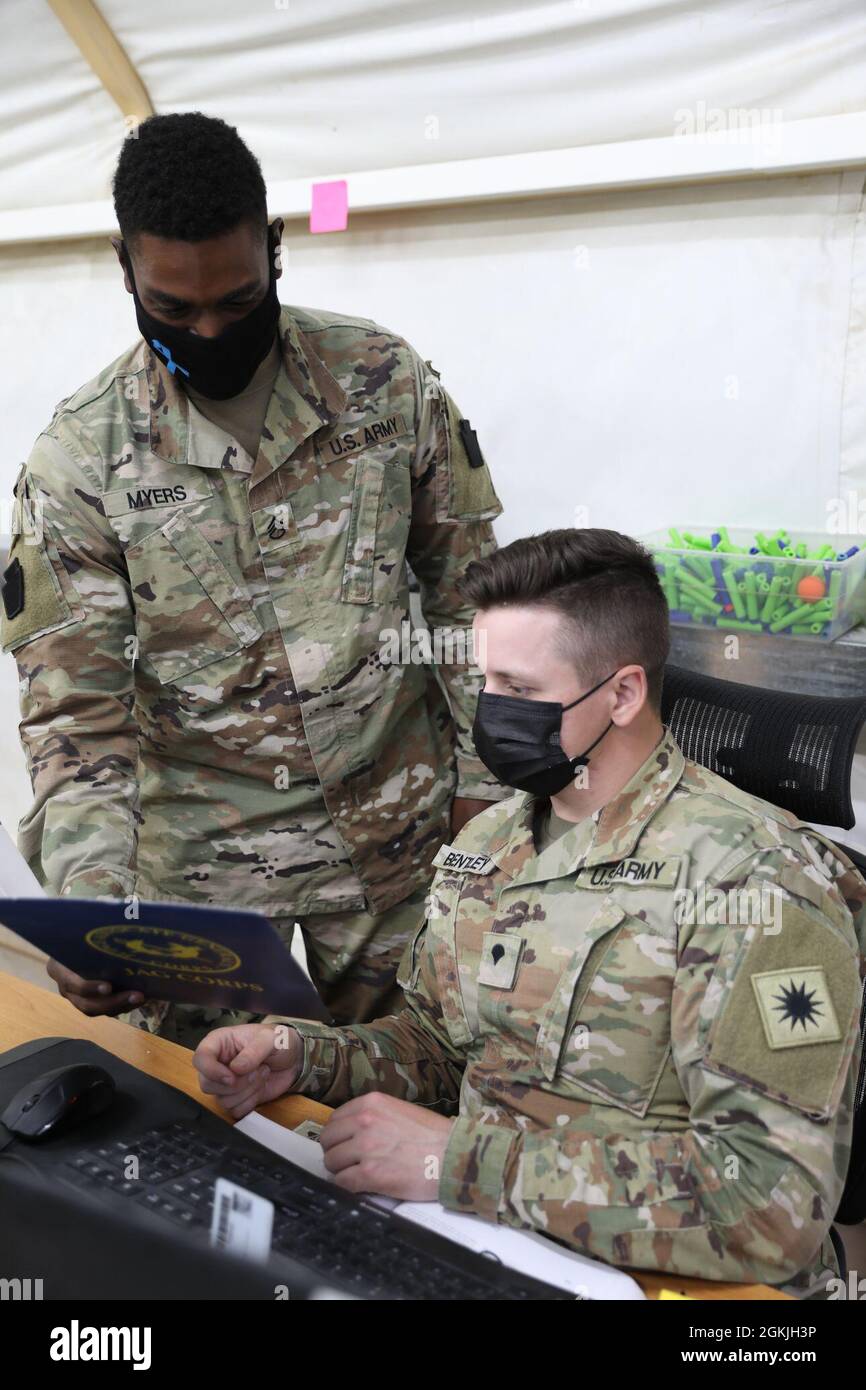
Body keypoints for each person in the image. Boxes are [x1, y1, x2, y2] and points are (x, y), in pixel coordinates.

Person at [194, 527, 866, 1297]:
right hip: (484, 1239)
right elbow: (442, 1049)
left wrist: (459, 1161)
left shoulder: (757, 882)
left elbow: (768, 1209)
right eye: (486, 685)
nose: (492, 712)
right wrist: (299, 1055)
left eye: (520, 690)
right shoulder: (491, 841)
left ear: (623, 693)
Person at [0, 112, 503, 1044]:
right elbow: (78, 718)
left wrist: (485, 802)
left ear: (275, 250)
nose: (208, 329)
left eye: (237, 301)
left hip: (403, 842)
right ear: (125, 270)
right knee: (224, 1137)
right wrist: (96, 910)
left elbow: (472, 601)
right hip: (207, 892)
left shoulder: (383, 382)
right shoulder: (80, 461)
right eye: (173, 307)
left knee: (426, 1104)